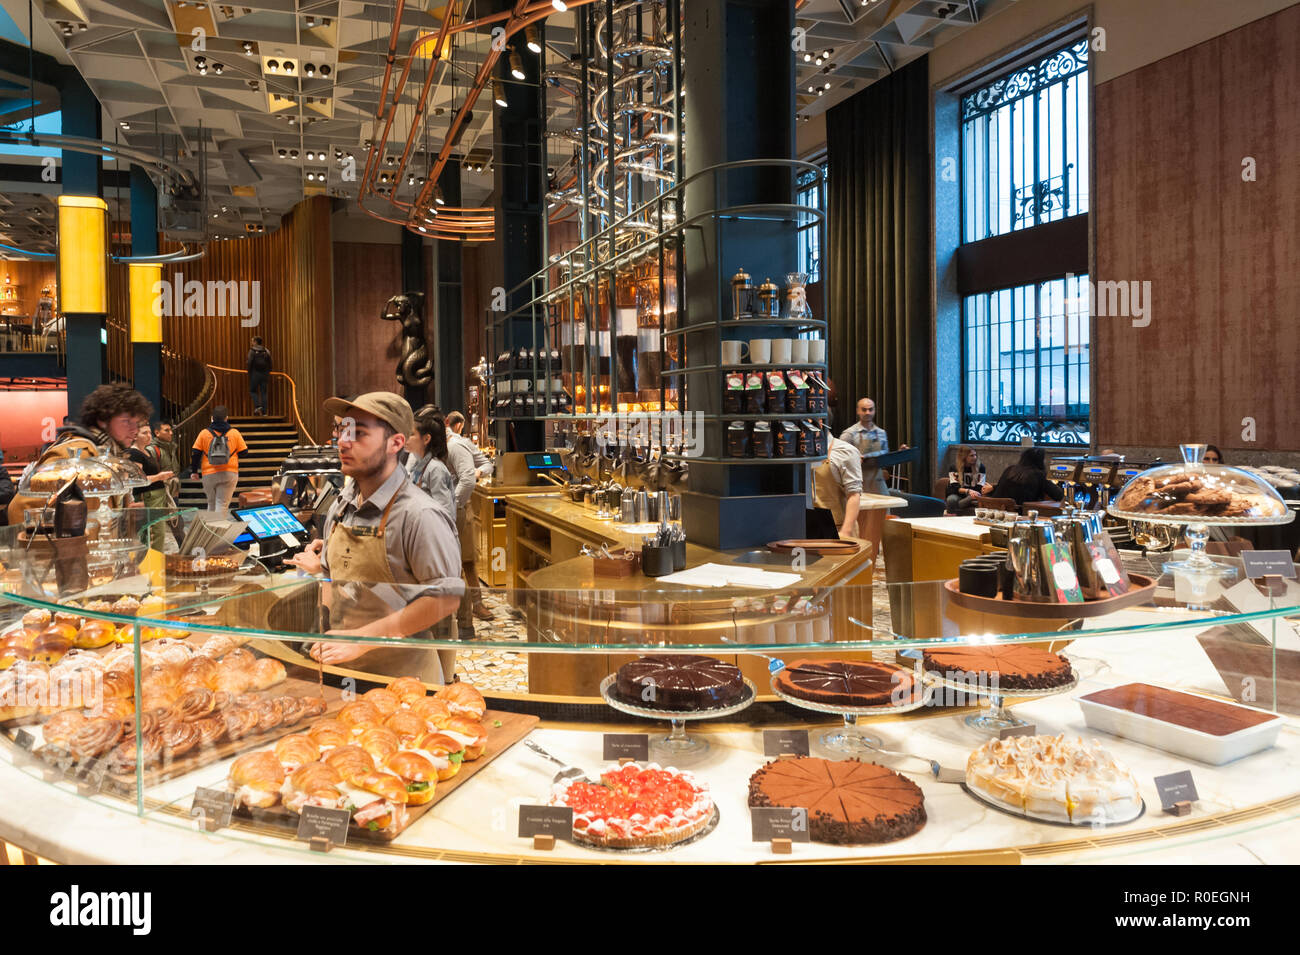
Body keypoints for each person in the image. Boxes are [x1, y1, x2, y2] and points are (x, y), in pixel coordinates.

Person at [287, 392, 463, 684]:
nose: (343, 441)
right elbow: (333, 581)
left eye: (359, 433)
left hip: (406, 684)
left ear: (396, 443)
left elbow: (445, 599)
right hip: (343, 675)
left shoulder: (420, 515)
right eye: (342, 430)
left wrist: (361, 639)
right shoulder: (341, 507)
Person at [8, 383, 154, 524]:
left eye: (136, 423)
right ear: (103, 420)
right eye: (126, 421)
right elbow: (20, 508)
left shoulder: (105, 455)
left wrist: (123, 513)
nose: (134, 430)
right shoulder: (75, 454)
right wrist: (54, 544)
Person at [446, 410, 493, 625]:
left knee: (467, 559)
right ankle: (451, 607)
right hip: (440, 509)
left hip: (459, 507)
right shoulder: (432, 446)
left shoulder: (457, 445)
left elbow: (486, 465)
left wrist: (477, 473)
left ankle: (476, 604)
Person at [189, 406, 247, 517]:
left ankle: (210, 531)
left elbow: (195, 453)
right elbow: (244, 452)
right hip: (229, 472)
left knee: (211, 503)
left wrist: (194, 471)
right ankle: (218, 531)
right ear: (226, 418)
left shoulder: (204, 433)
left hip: (208, 473)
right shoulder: (234, 433)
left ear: (212, 418)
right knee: (222, 504)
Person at [809, 427, 863, 540]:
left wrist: (845, 531)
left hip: (837, 528)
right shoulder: (802, 451)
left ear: (820, 422)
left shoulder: (845, 451)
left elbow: (854, 495)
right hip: (809, 529)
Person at [839, 397, 894, 495]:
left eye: (871, 409)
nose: (868, 412)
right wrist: (855, 459)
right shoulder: (849, 434)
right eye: (864, 410)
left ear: (874, 411)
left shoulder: (881, 433)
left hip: (878, 482)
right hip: (857, 482)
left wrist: (901, 453)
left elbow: (886, 458)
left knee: (885, 509)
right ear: (858, 411)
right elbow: (839, 459)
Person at [408, 415, 457, 520]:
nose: (406, 438)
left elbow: (446, 514)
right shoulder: (418, 465)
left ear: (426, 439)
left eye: (411, 434)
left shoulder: (435, 469)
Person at [989, 446, 1064, 506]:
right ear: (1040, 461)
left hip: (997, 511)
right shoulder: (1039, 474)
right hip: (1022, 515)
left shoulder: (1010, 469)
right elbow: (1058, 495)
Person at [126, 423, 174, 507]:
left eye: (149, 432)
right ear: (135, 436)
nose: (149, 436)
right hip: (147, 496)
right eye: (144, 433)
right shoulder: (134, 453)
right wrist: (159, 477)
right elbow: (136, 480)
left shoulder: (146, 451)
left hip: (157, 495)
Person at [945, 446, 992, 514]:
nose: (975, 457)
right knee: (951, 500)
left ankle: (953, 512)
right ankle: (954, 514)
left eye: (975, 455)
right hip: (958, 493)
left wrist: (973, 493)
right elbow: (954, 487)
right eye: (971, 456)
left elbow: (980, 486)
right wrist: (968, 491)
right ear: (963, 457)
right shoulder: (954, 468)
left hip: (974, 494)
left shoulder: (980, 467)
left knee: (972, 498)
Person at [151, 421, 183, 500]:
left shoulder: (171, 447)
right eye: (166, 430)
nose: (171, 433)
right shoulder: (153, 449)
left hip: (173, 491)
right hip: (160, 493)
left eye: (171, 430)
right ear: (157, 432)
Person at [247, 336, 272, 415]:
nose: (251, 343)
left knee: (252, 391)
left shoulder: (252, 350)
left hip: (255, 373)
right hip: (264, 374)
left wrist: (249, 372)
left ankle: (257, 406)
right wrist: (268, 372)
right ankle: (264, 412)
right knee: (264, 393)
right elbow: (270, 362)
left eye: (252, 341)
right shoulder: (266, 350)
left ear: (255, 342)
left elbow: (249, 362)